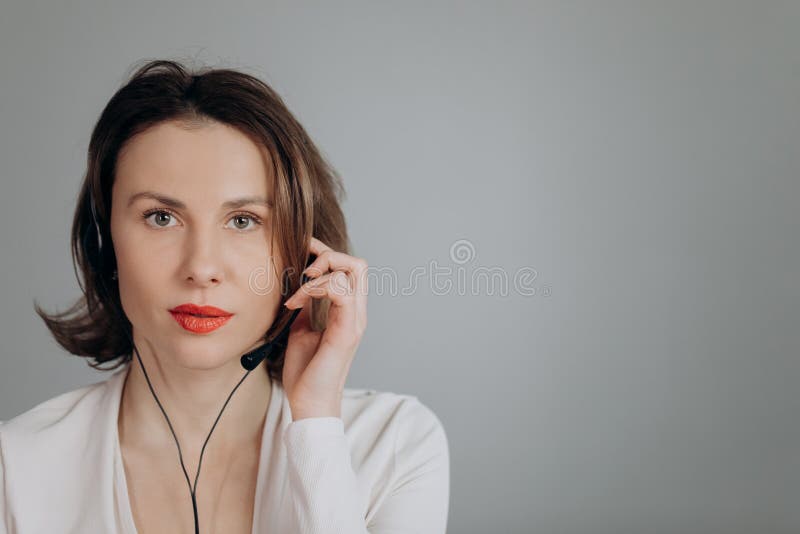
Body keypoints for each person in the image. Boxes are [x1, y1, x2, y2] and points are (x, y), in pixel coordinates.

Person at [0, 59, 449, 533]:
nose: (201, 268)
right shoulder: (16, 467)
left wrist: (316, 426)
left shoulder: (393, 445)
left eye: (243, 221)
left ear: (302, 251)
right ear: (104, 240)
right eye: (160, 217)